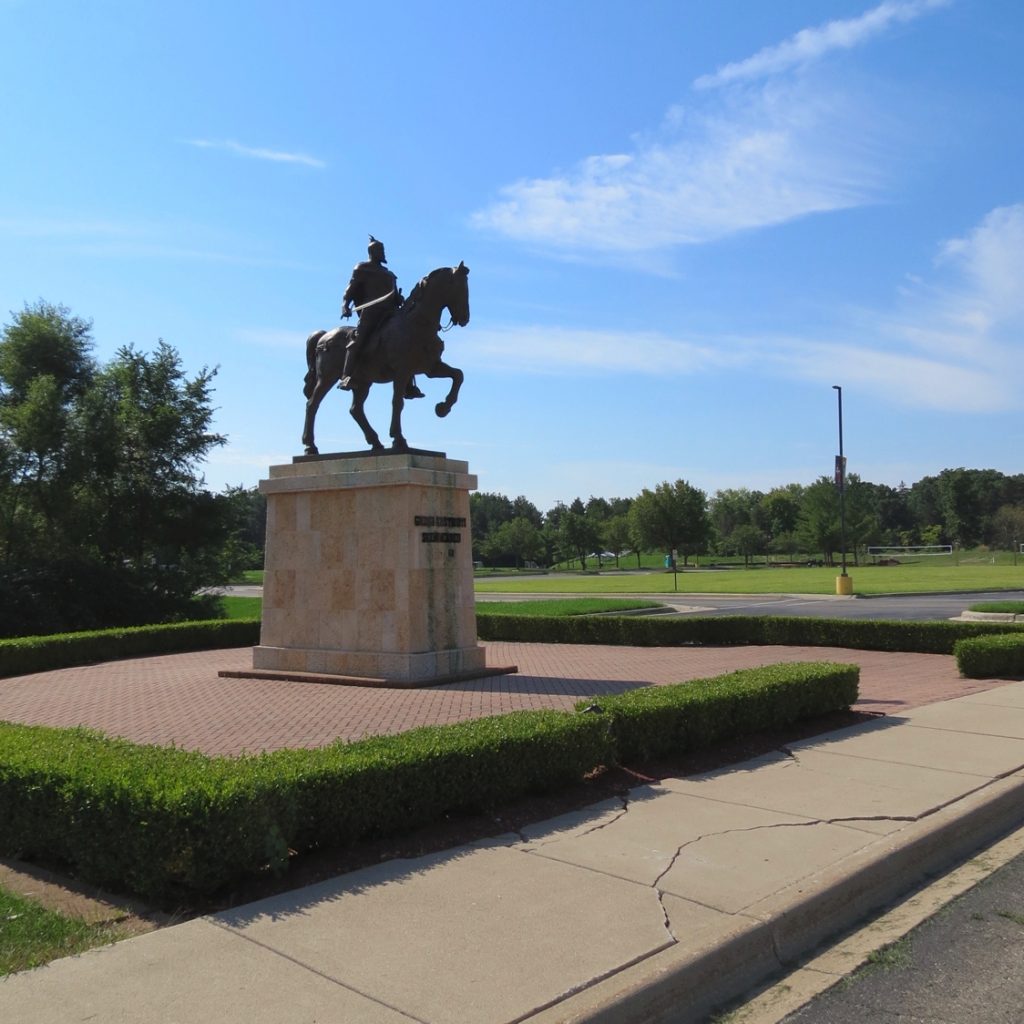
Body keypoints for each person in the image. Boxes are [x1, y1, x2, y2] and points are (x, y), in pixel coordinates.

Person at [340, 236, 423, 398]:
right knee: (359, 339)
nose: (383, 253)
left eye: (383, 250)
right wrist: (345, 305)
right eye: (380, 250)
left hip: (391, 312)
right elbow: (350, 289)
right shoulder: (363, 268)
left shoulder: (389, 274)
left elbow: (394, 296)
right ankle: (346, 377)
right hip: (371, 312)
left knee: (406, 339)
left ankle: (409, 386)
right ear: (372, 252)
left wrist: (398, 299)